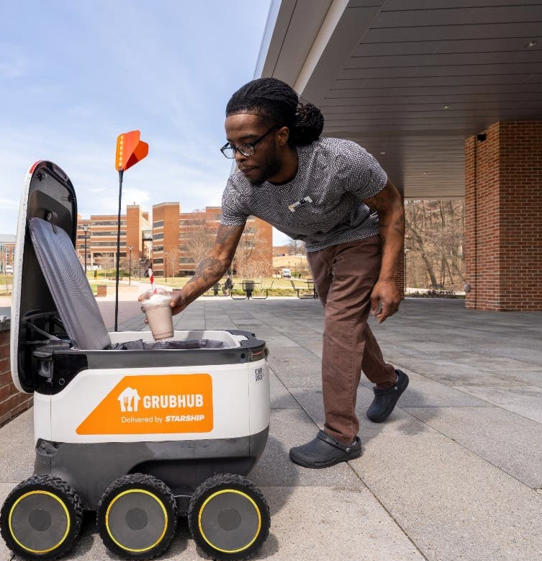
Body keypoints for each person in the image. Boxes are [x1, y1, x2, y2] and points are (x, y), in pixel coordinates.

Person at [169, 78, 408, 468]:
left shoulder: (339, 160)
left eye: (248, 143)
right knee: (348, 326)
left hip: (359, 237)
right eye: (232, 146)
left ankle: (340, 434)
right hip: (316, 246)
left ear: (281, 135)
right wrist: (182, 295)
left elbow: (393, 206)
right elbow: (217, 258)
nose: (240, 157)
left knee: (340, 326)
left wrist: (388, 277)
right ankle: (389, 380)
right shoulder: (240, 188)